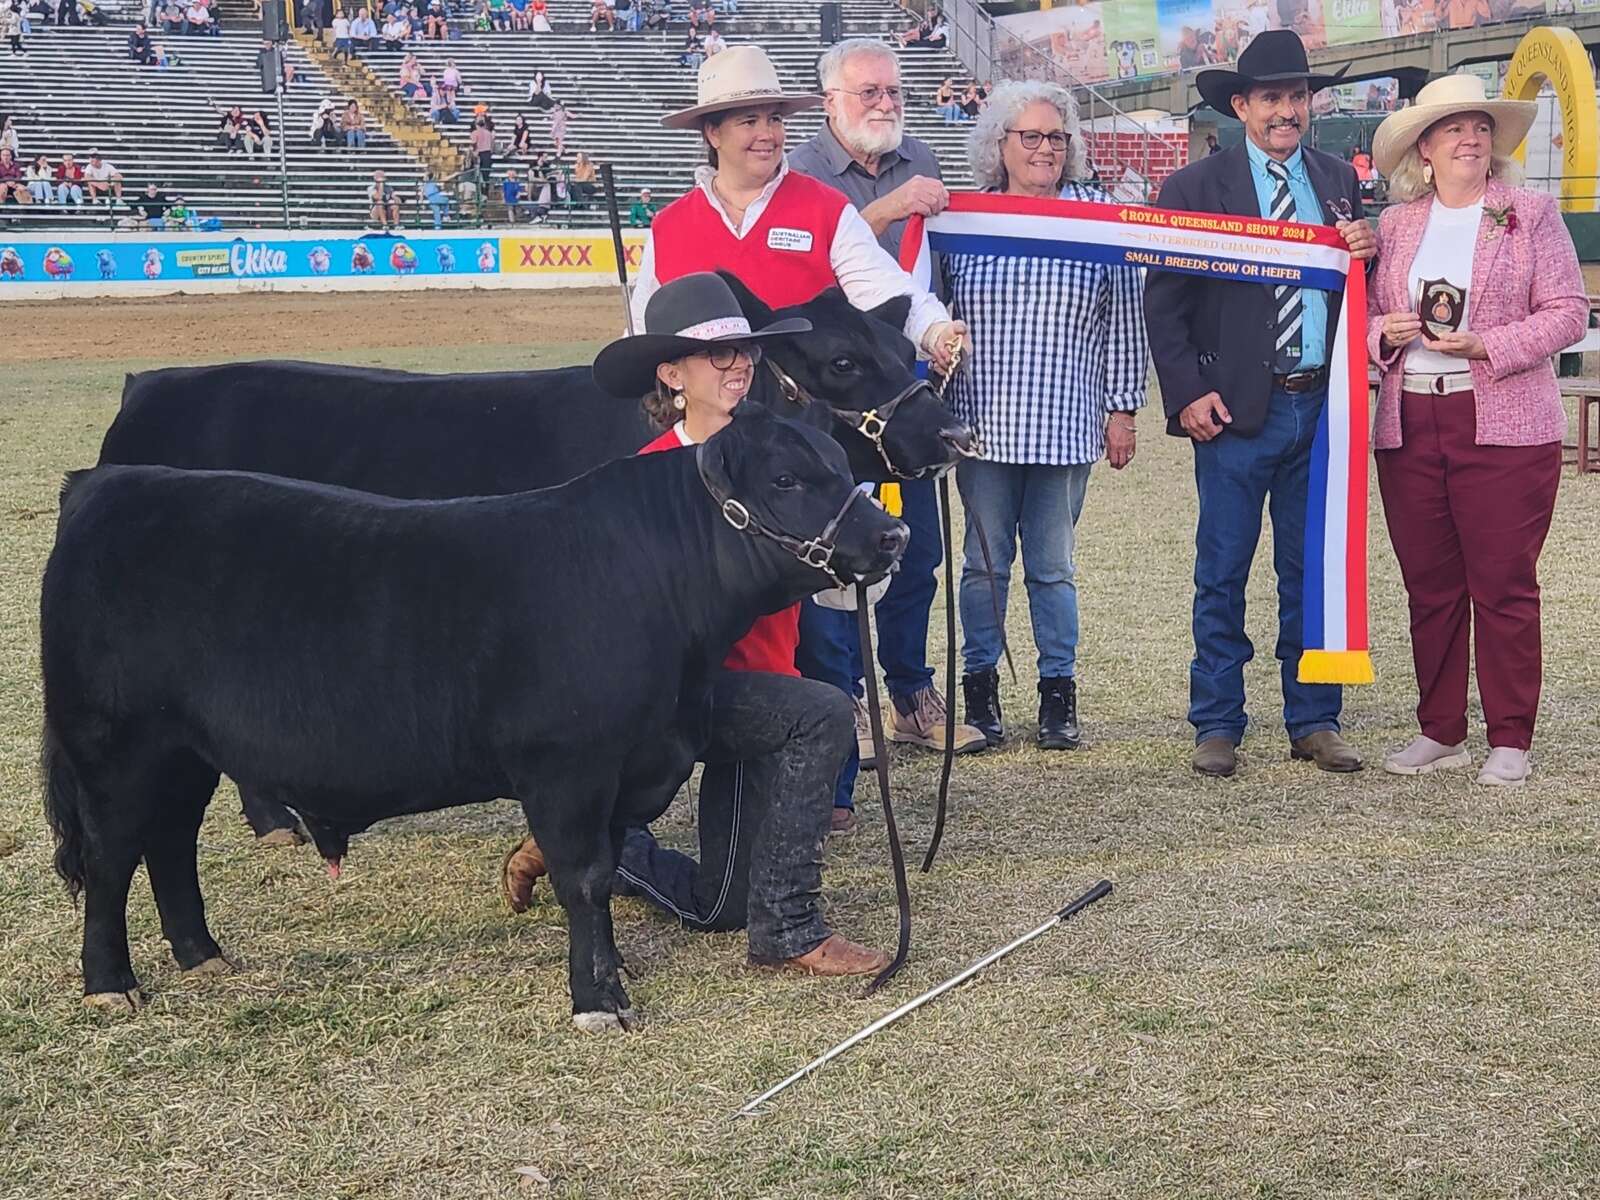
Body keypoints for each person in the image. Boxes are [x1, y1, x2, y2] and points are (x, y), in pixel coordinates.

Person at [501, 271, 893, 978]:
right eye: (718, 353)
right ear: (671, 373)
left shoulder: (786, 453)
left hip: (763, 680)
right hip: (679, 695)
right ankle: (791, 927)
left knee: (720, 906)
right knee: (821, 715)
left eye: (743, 349)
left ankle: (592, 847)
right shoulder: (643, 478)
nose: (738, 363)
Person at [629, 45, 965, 830]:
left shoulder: (823, 208)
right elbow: (645, 335)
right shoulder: (671, 227)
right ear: (712, 132)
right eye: (747, 120)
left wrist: (936, 326)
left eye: (775, 118)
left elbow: (887, 289)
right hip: (705, 468)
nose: (766, 133)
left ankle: (831, 788)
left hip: (804, 465)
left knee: (821, 626)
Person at [1143, 30, 1375, 778]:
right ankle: (1217, 720)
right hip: (1236, 409)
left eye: (1298, 96)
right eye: (1272, 97)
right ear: (1240, 105)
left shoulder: (1340, 180)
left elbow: (1362, 294)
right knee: (1224, 569)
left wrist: (1369, 249)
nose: (1287, 110)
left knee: (1312, 571)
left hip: (1321, 410)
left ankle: (1314, 717)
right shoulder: (1193, 187)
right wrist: (1187, 394)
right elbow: (1166, 306)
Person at [1365, 74, 1585, 786]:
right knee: (1428, 585)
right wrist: (1386, 333)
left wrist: (1486, 344)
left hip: (1504, 426)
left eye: (1481, 127)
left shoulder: (1530, 213)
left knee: (1503, 585)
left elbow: (1568, 312)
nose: (1470, 138)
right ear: (1422, 149)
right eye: (1454, 127)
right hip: (1411, 421)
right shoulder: (1396, 227)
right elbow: (1365, 322)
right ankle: (1440, 730)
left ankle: (1510, 737)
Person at [788, 39, 986, 804]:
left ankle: (910, 692)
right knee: (831, 558)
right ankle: (846, 702)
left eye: (893, 90)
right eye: (868, 91)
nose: (884, 103)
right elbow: (806, 269)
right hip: (829, 403)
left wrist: (938, 331)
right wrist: (885, 211)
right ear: (830, 100)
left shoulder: (921, 153)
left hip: (905, 390)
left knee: (920, 552)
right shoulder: (801, 170)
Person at [931, 81, 1150, 751]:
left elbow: (1125, 318)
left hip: (1065, 417)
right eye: (1030, 136)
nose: (1045, 149)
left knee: (1053, 568)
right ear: (999, 144)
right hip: (982, 420)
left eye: (1056, 136)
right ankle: (981, 692)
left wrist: (1124, 408)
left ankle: (1058, 695)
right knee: (981, 565)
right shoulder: (965, 218)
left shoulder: (1100, 214)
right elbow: (933, 309)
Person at [470, 115, 495, 181]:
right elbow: (492, 144)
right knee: (486, 174)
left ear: (476, 125)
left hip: (478, 153)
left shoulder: (474, 133)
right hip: (487, 153)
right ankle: (485, 189)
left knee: (477, 173)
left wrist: (474, 152)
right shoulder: (489, 133)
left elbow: (474, 143)